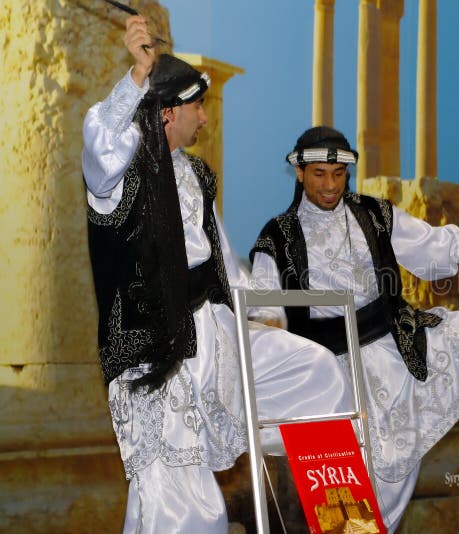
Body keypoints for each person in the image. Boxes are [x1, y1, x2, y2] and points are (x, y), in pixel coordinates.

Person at [82, 17, 350, 533]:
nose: (205, 117)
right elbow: (100, 146)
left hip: (216, 337)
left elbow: (222, 258)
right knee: (184, 509)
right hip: (154, 354)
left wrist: (263, 312)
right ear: (167, 111)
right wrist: (136, 77)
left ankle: (335, 518)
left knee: (316, 373)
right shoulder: (116, 175)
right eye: (196, 105)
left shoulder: (196, 173)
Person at [249, 126, 459, 531]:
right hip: (332, 374)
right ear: (299, 172)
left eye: (338, 174)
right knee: (359, 503)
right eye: (319, 174)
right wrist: (268, 327)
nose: (330, 185)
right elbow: (266, 309)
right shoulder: (276, 237)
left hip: (401, 341)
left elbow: (440, 245)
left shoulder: (375, 214)